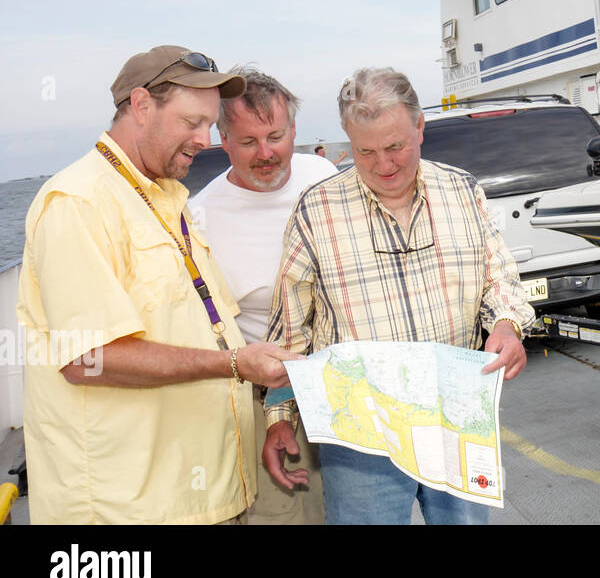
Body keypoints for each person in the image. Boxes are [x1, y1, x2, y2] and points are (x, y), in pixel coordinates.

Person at [17, 46, 301, 524]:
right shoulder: (78, 202)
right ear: (142, 105)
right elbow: (88, 359)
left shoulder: (167, 197)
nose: (205, 139)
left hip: (204, 496)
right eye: (191, 123)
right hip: (129, 511)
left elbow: (205, 326)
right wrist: (234, 363)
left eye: (210, 125)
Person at [262, 67, 534, 525]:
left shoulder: (462, 191)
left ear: (421, 127)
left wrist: (507, 324)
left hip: (456, 420)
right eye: (365, 151)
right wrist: (279, 415)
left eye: (395, 147)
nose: (383, 165)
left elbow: (499, 277)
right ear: (348, 139)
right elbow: (292, 327)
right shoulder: (316, 210)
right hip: (361, 436)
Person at [191, 66, 338, 524]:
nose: (266, 153)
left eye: (276, 136)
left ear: (294, 129)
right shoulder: (202, 218)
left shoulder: (322, 175)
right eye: (249, 141)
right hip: (275, 401)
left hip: (346, 388)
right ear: (223, 139)